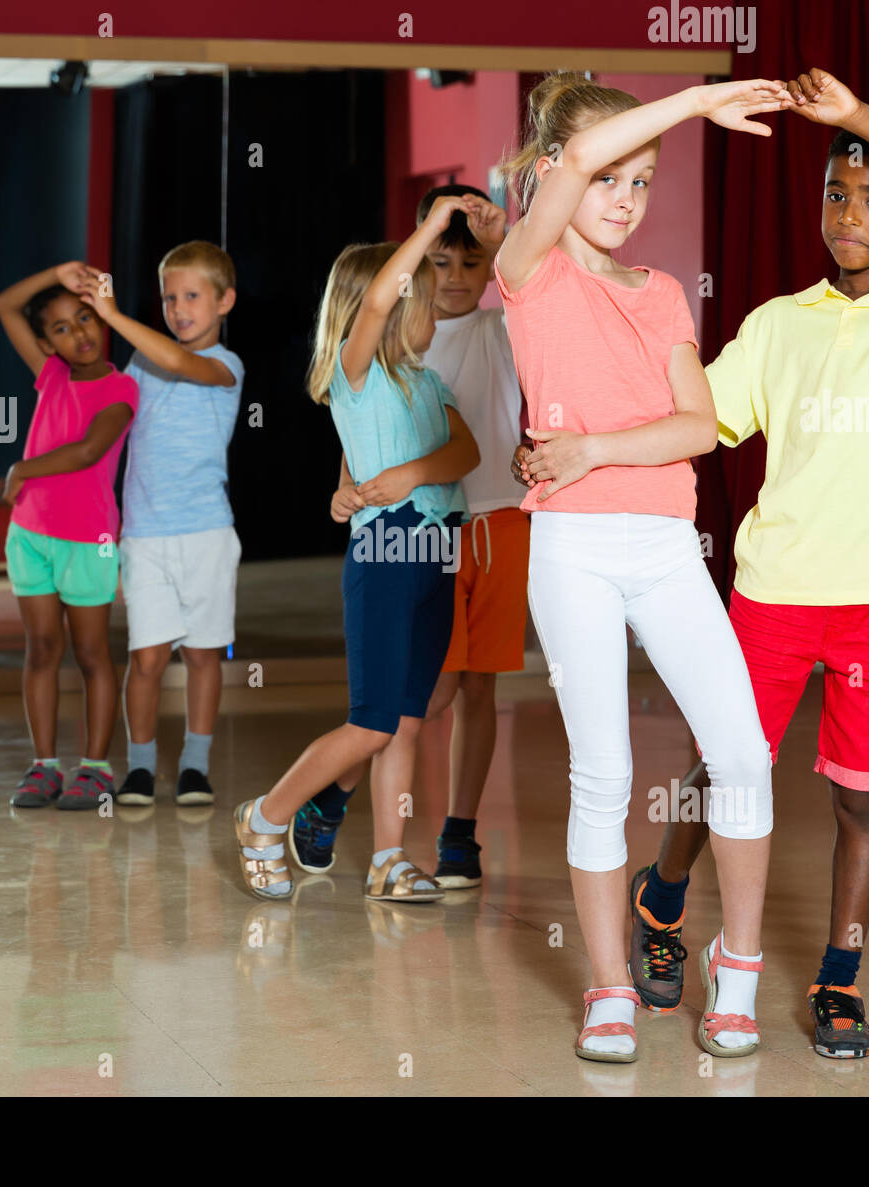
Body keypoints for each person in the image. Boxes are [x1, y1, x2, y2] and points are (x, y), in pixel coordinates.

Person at [594, 69, 869, 1061]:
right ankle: (663, 898)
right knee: (731, 766)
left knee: (861, 794)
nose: (846, 213)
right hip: (775, 592)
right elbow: (695, 419)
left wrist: (853, 117)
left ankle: (839, 977)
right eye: (834, 192)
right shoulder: (776, 324)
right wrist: (591, 435)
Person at [495, 71, 790, 1061]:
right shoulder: (526, 270)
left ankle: (737, 972)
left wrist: (591, 449)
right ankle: (609, 986)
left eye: (643, 181)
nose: (623, 197)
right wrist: (697, 105)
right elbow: (574, 155)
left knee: (743, 754)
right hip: (573, 550)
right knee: (604, 771)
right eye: (608, 176)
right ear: (554, 178)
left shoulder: (661, 293)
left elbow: (698, 426)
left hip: (665, 547)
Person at [232, 196, 480, 903]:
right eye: (426, 301)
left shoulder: (429, 383)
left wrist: (406, 472)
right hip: (387, 560)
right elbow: (374, 302)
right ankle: (265, 816)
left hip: (437, 553)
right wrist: (430, 227)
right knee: (372, 722)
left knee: (407, 717)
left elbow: (466, 449)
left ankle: (386, 858)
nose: (437, 315)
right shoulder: (357, 371)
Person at [296, 185, 526, 891]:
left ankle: (442, 837)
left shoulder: (486, 339)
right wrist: (355, 482)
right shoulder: (384, 353)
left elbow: (455, 451)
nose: (452, 279)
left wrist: (502, 236)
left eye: (471, 262)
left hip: (485, 525)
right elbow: (365, 424)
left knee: (455, 693)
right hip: (408, 540)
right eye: (438, 268)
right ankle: (329, 798)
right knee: (413, 704)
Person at [74, 244, 244, 808]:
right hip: (144, 535)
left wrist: (113, 316)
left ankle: (195, 765)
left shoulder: (227, 365)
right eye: (169, 297)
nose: (177, 308)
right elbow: (110, 411)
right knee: (147, 657)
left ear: (225, 301)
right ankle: (141, 768)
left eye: (192, 296)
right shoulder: (140, 363)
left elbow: (176, 361)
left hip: (207, 534)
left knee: (201, 654)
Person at [0, 263, 139, 811]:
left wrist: (22, 469)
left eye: (84, 318)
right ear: (47, 342)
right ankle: (44, 765)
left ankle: (96, 768)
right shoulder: (51, 375)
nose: (77, 334)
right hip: (30, 533)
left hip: (89, 539)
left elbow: (87, 452)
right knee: (42, 650)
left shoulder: (121, 387)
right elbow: (6, 305)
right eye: (59, 327)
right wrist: (57, 273)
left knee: (91, 652)